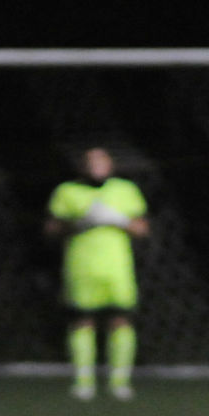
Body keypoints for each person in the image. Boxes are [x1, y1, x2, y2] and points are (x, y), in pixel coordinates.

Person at [45, 147, 149, 401]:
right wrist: (80, 223)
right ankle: (83, 383)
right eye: (91, 160)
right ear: (82, 165)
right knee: (82, 321)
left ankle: (119, 383)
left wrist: (120, 220)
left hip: (117, 268)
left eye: (101, 160)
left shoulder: (125, 190)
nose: (96, 165)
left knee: (121, 320)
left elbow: (142, 229)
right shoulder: (67, 191)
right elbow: (51, 229)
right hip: (81, 267)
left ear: (111, 164)